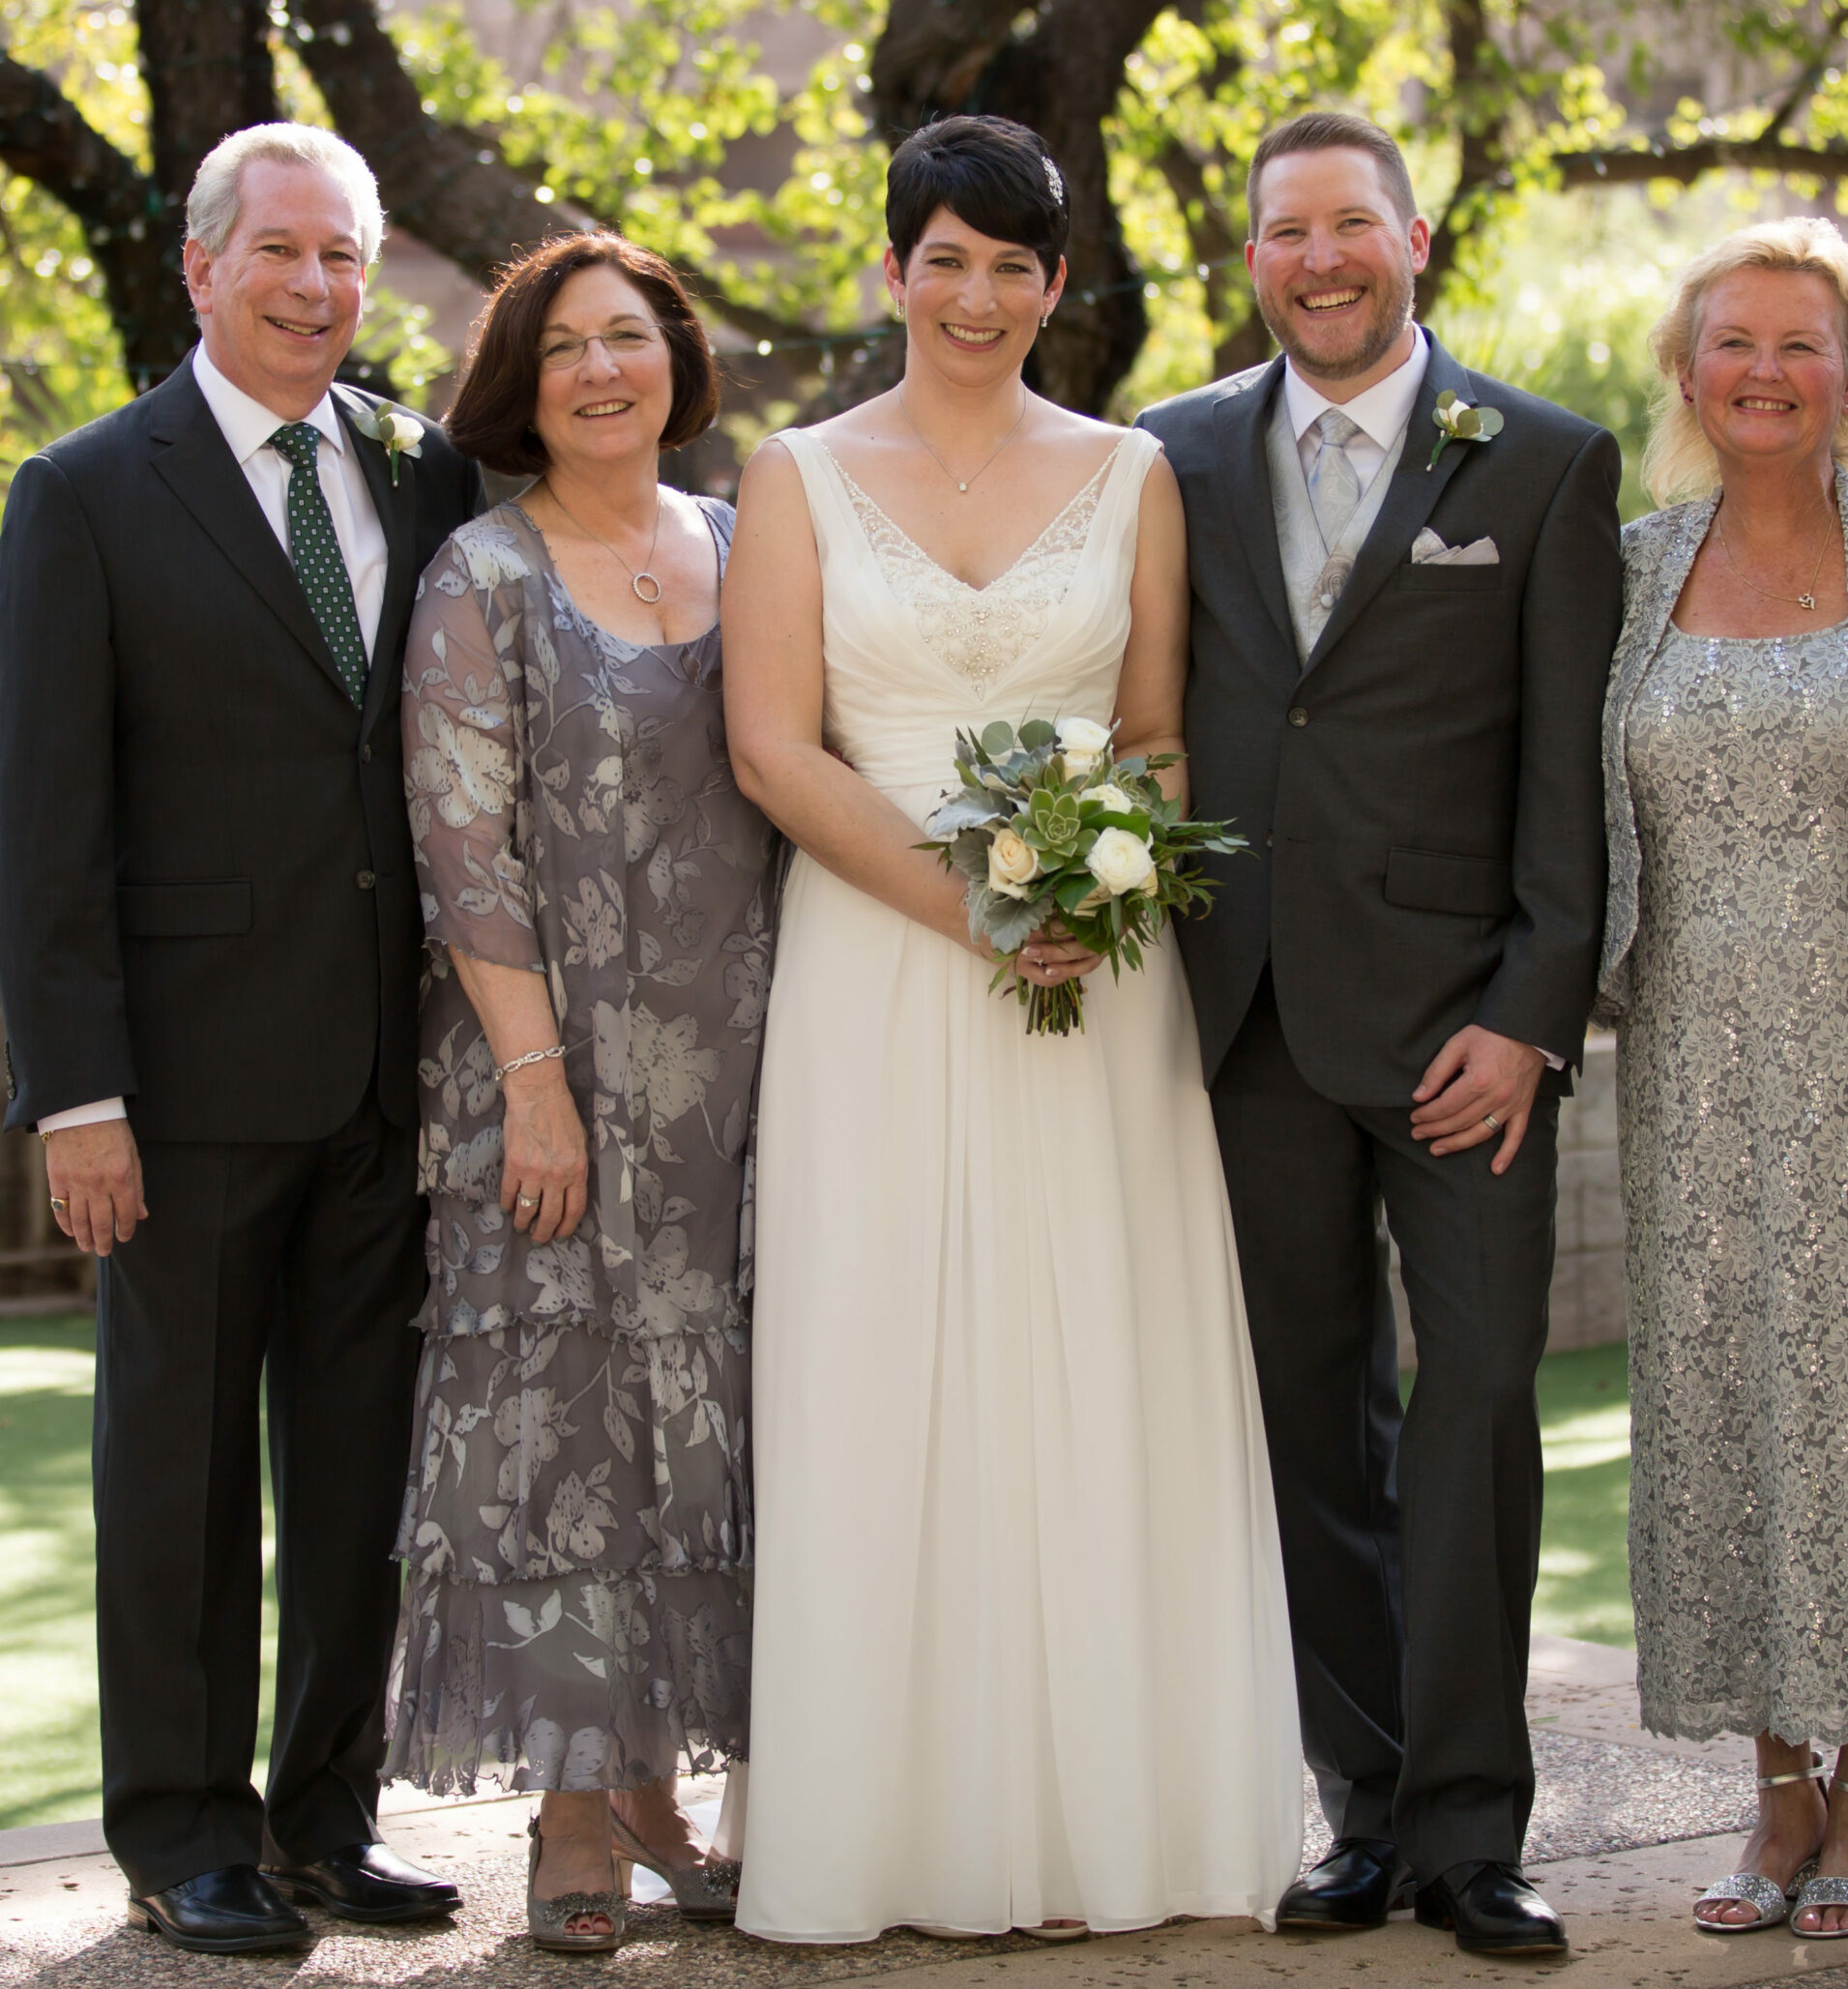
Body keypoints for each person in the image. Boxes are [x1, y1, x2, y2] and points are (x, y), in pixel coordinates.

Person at [721, 115, 1302, 1944]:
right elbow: (773, 747)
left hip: (1091, 976)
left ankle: (1110, 1823)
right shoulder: (795, 473)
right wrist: (974, 902)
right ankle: (893, 1832)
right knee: (884, 1355)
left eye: (1014, 266)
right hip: (883, 971)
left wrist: (1089, 885)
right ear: (893, 271)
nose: (977, 297)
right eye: (945, 259)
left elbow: (1151, 728)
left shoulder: (1134, 471)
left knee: (1096, 1354)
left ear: (1060, 287)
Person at [1136, 113, 1621, 1958]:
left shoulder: (1543, 464)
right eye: (1285, 233)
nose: (1319, 259)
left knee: (1483, 1403)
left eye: (1351, 226)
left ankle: (1477, 1824)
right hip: (1246, 1013)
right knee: (1306, 1418)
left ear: (1414, 236)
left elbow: (1568, 784)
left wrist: (1530, 1016)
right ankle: (1362, 1805)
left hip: (1462, 1040)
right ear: (1251, 257)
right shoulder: (1168, 453)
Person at [0, 124, 479, 1952]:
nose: (315, 287)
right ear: (202, 268)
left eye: (346, 258)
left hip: (386, 1073)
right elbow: (47, 827)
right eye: (281, 251)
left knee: (362, 1470)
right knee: (180, 1473)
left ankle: (323, 1821)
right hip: (181, 1088)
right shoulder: (86, 489)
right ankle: (183, 1830)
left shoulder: (418, 473)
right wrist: (81, 1093)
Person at [1596, 218, 1848, 1943]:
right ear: (1689, 376)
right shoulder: (1625, 569)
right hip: (1687, 1061)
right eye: (1732, 342)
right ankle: (1770, 1786)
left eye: (1800, 343)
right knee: (1718, 1407)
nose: (1764, 370)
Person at [380, 233, 770, 1952]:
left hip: (750, 1077)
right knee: (563, 1439)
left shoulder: (758, 547)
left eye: (632, 338)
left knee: (717, 1428)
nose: (604, 369)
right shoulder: (480, 571)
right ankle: (569, 1815)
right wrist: (536, 1087)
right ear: (521, 390)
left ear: (680, 363)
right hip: (551, 1069)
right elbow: (465, 853)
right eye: (566, 350)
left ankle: (665, 1786)